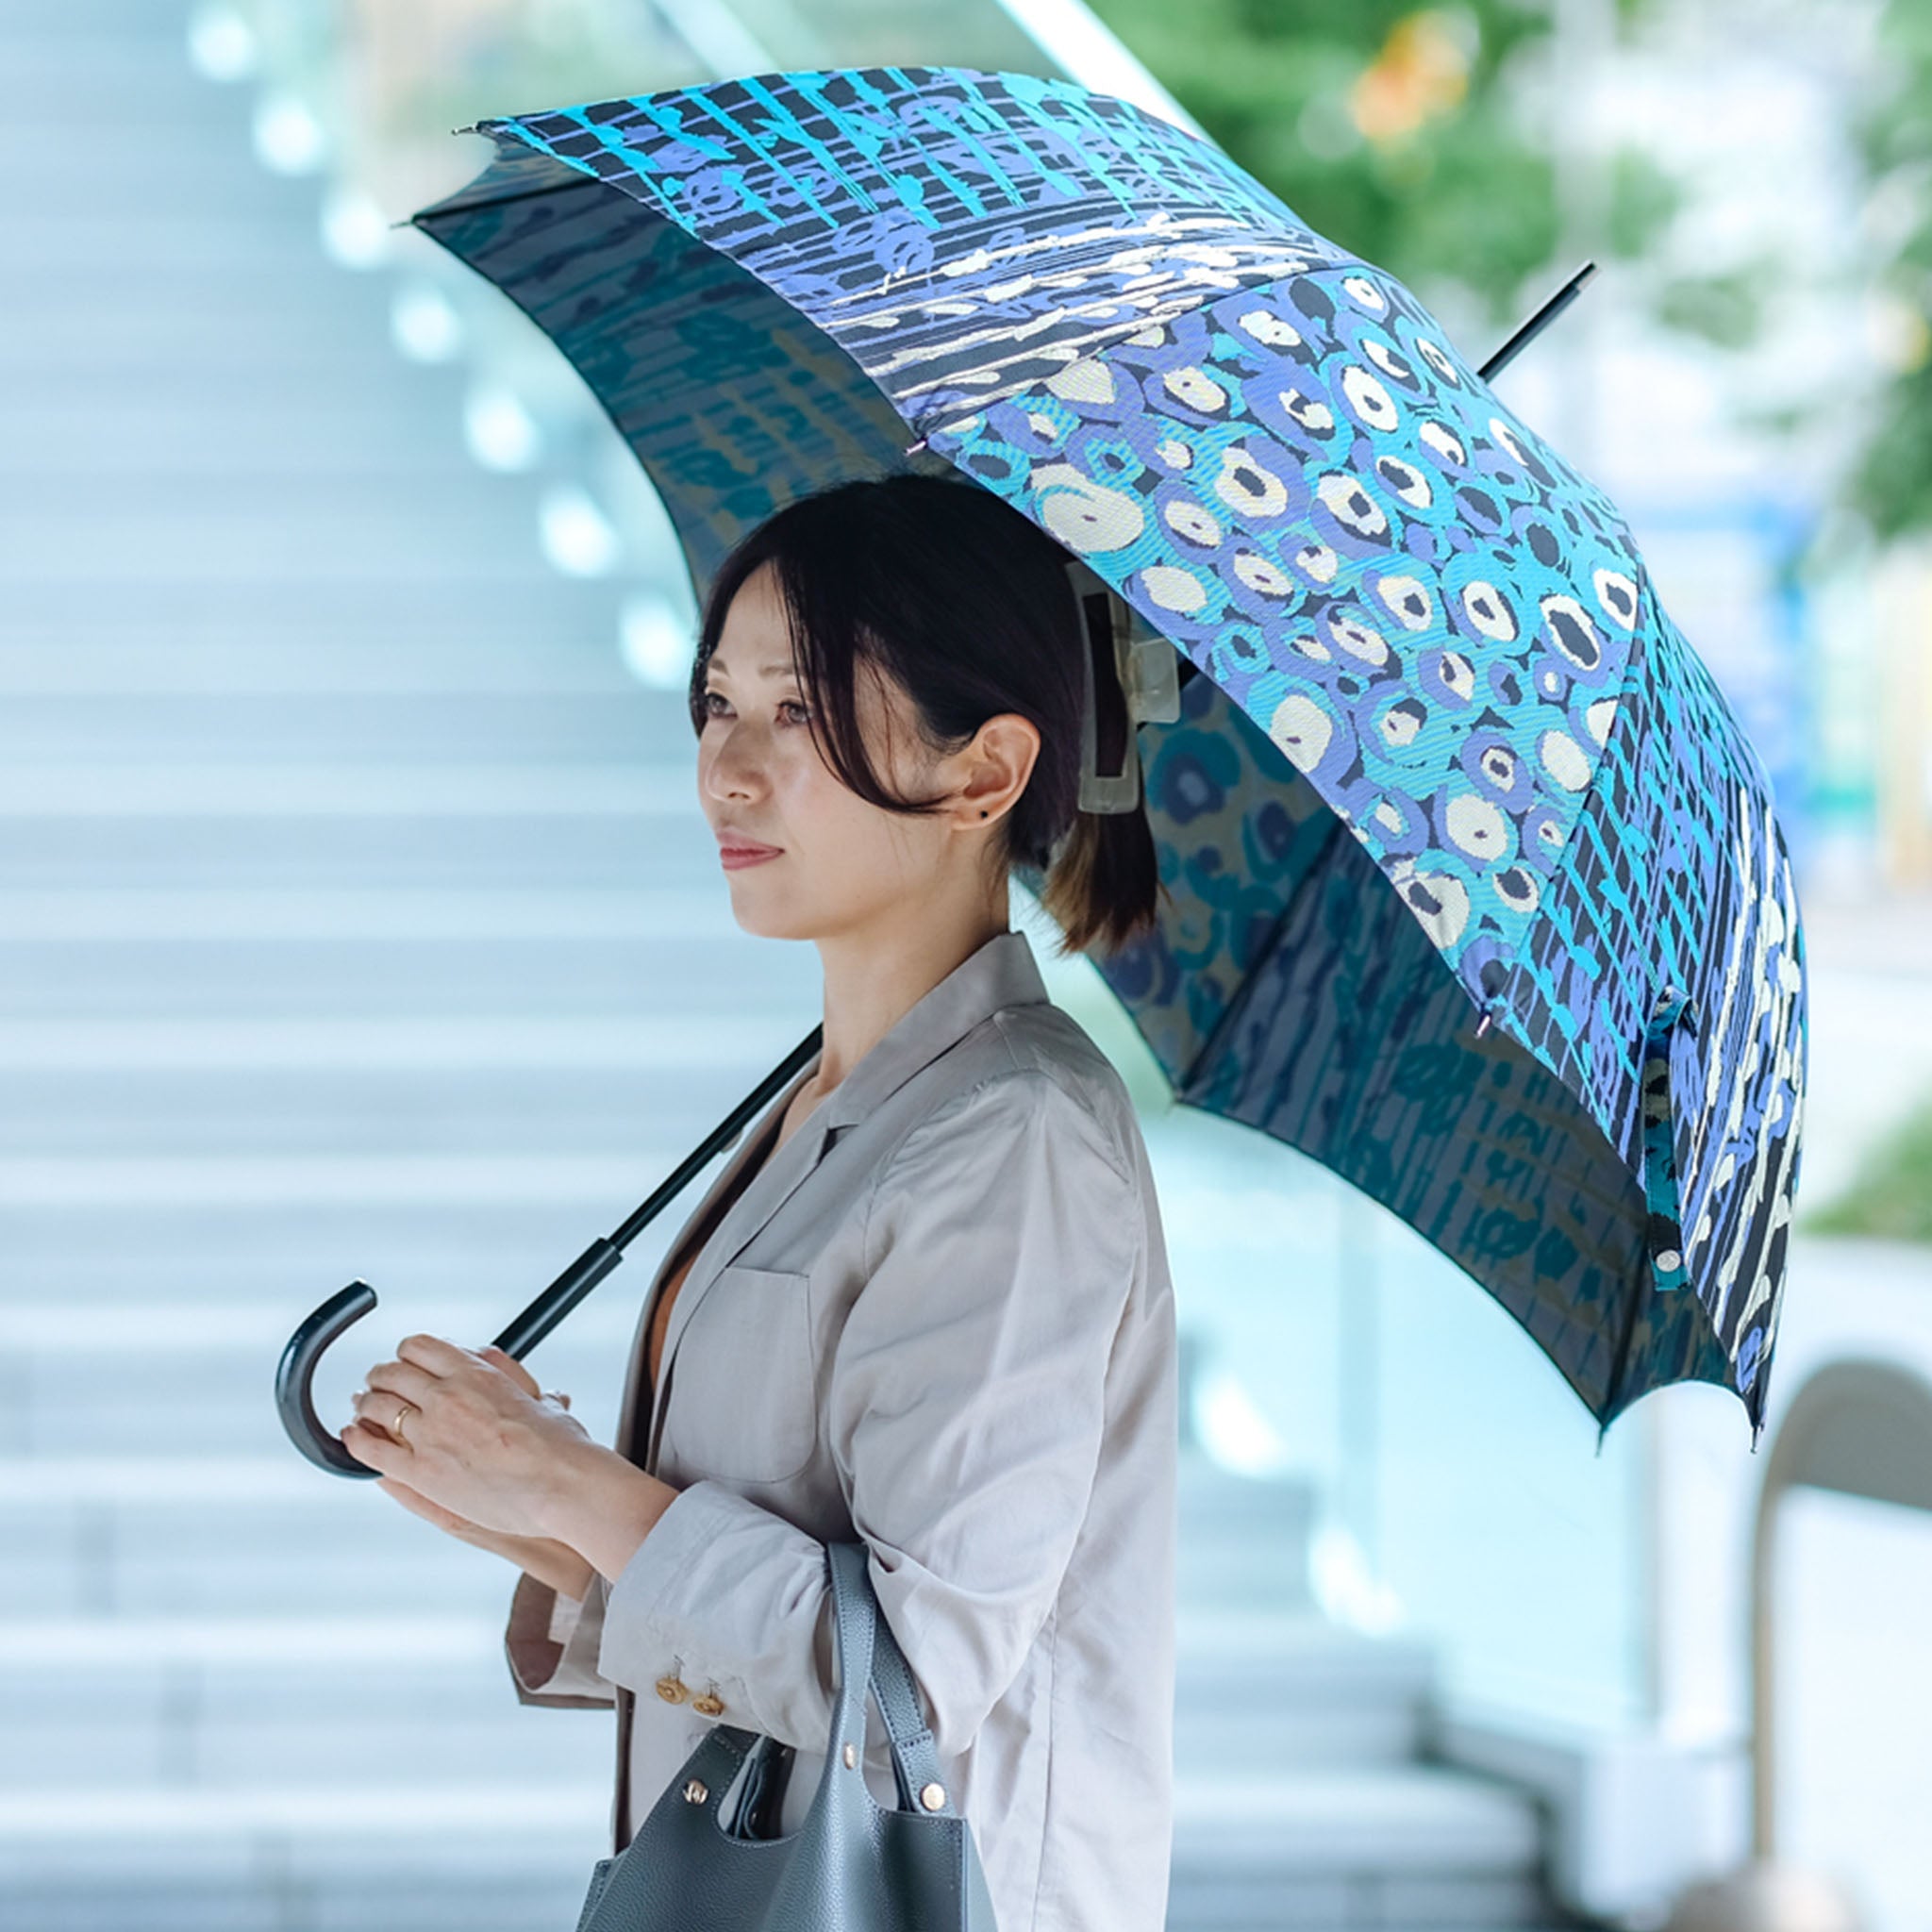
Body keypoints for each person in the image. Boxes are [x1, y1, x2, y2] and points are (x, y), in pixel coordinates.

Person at [340, 470, 1180, 1932]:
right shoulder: (844, 1110)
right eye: (716, 701)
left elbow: (915, 1684)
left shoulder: (1017, 1142)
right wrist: (531, 1506)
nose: (729, 768)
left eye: (798, 713)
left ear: (983, 775)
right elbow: (777, 1573)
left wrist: (571, 1489)